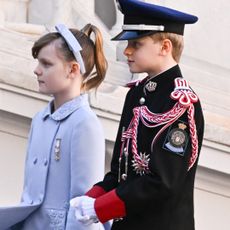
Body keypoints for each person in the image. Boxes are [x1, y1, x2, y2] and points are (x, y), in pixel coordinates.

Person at [70, 0, 205, 230]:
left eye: (136, 43)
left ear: (164, 47)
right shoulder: (137, 94)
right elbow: (121, 172)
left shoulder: (180, 103)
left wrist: (101, 208)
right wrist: (92, 198)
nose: (127, 51)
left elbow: (163, 182)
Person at [0, 23, 109, 230]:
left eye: (46, 64)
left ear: (72, 69)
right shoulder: (40, 119)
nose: (37, 70)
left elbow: (83, 206)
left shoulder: (85, 123)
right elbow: (29, 197)